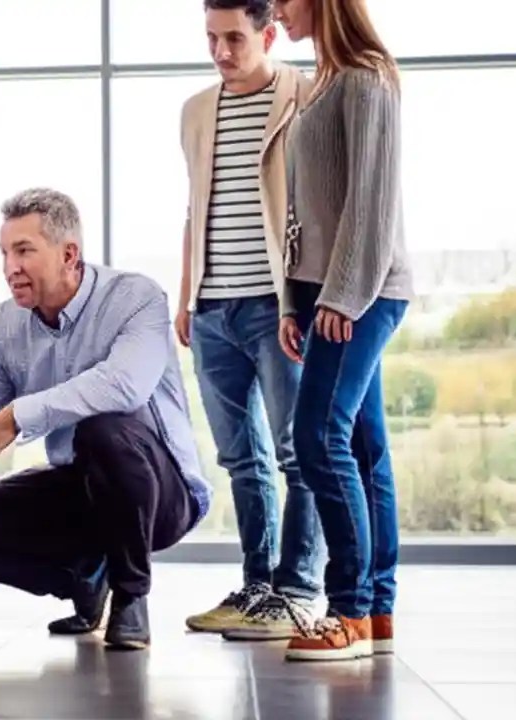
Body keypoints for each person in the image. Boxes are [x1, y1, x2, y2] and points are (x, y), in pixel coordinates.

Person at [0, 188, 213, 650]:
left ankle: (131, 597)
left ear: (69, 254)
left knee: (103, 429)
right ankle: (82, 578)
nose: (10, 267)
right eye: (5, 253)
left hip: (161, 495)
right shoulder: (4, 328)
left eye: (24, 250)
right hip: (80, 485)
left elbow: (123, 385)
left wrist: (19, 414)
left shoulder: (136, 298)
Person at [177, 0, 325, 641]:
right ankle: (258, 586)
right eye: (211, 38)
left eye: (234, 38)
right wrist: (188, 297)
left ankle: (299, 590)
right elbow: (194, 208)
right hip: (213, 310)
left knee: (298, 454)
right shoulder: (195, 111)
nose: (220, 51)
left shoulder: (308, 96)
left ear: (269, 33)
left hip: (279, 307)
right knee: (243, 459)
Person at [273, 0, 413, 662]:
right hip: (323, 293)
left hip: (360, 292)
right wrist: (291, 303)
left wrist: (347, 296)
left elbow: (372, 199)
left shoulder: (365, 76)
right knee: (361, 446)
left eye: (283, 0)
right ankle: (377, 609)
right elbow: (306, 210)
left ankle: (350, 612)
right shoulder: (324, 80)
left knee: (317, 437)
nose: (276, 10)